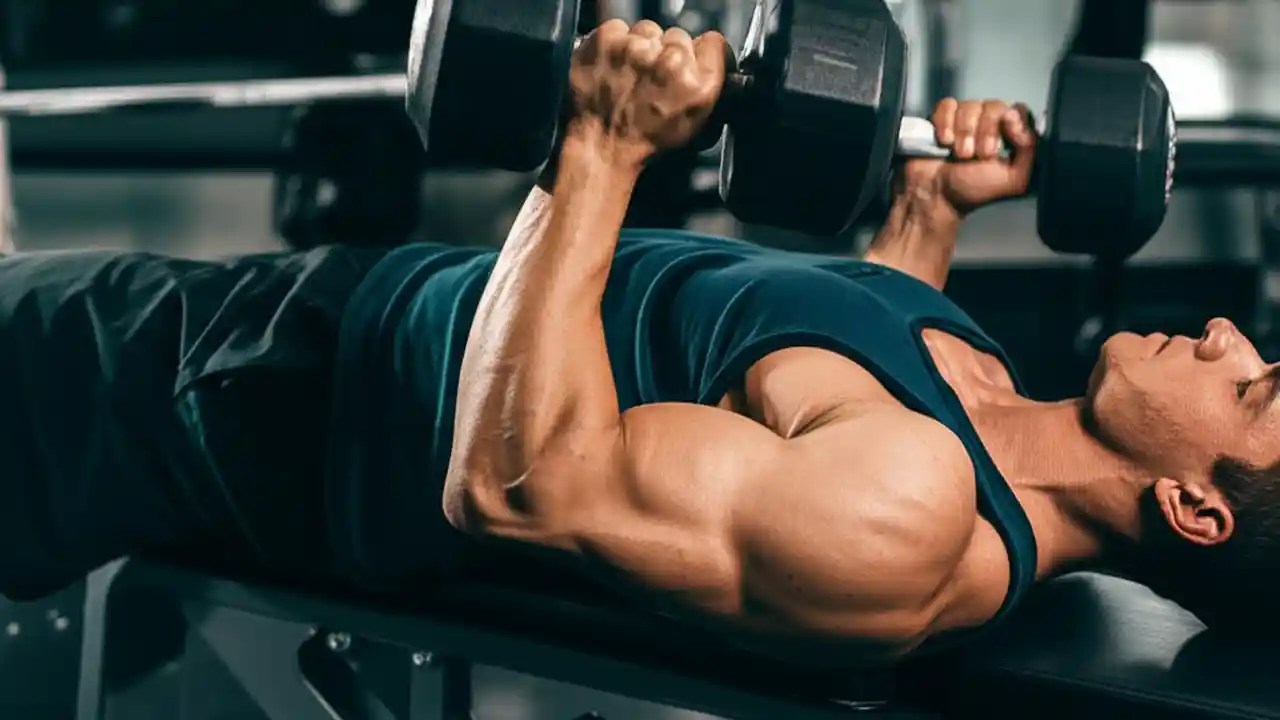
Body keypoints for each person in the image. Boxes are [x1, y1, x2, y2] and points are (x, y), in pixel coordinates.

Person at [0, 19, 1276, 664]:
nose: (1227, 336)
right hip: (321, 321)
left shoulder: (902, 521)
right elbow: (822, 371)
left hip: (279, 402)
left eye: (1253, 387)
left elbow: (520, 490)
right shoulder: (980, 401)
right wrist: (928, 210)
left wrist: (603, 142)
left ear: (1192, 508)